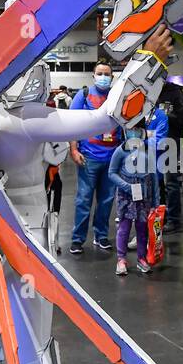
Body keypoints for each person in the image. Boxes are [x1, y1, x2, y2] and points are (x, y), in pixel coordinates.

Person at [68, 61, 121, 254]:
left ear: (112, 77)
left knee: (106, 200)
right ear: (93, 75)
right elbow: (71, 124)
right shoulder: (83, 95)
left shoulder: (117, 96)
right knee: (84, 199)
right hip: (88, 157)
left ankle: (101, 236)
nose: (103, 76)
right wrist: (74, 149)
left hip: (112, 157)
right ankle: (77, 239)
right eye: (100, 73)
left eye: (107, 73)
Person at [107, 124, 158, 276]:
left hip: (144, 196)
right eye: (131, 129)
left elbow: (154, 178)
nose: (134, 133)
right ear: (125, 131)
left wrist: (156, 202)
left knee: (143, 229)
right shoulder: (120, 151)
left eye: (138, 129)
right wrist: (126, 186)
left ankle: (141, 258)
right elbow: (112, 173)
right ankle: (121, 259)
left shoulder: (148, 152)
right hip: (125, 196)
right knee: (124, 228)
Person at [158, 78, 183, 233]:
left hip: (172, 141)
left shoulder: (175, 92)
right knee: (157, 182)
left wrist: (163, 115)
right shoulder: (148, 92)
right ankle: (160, 216)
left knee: (171, 182)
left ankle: (174, 220)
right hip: (153, 142)